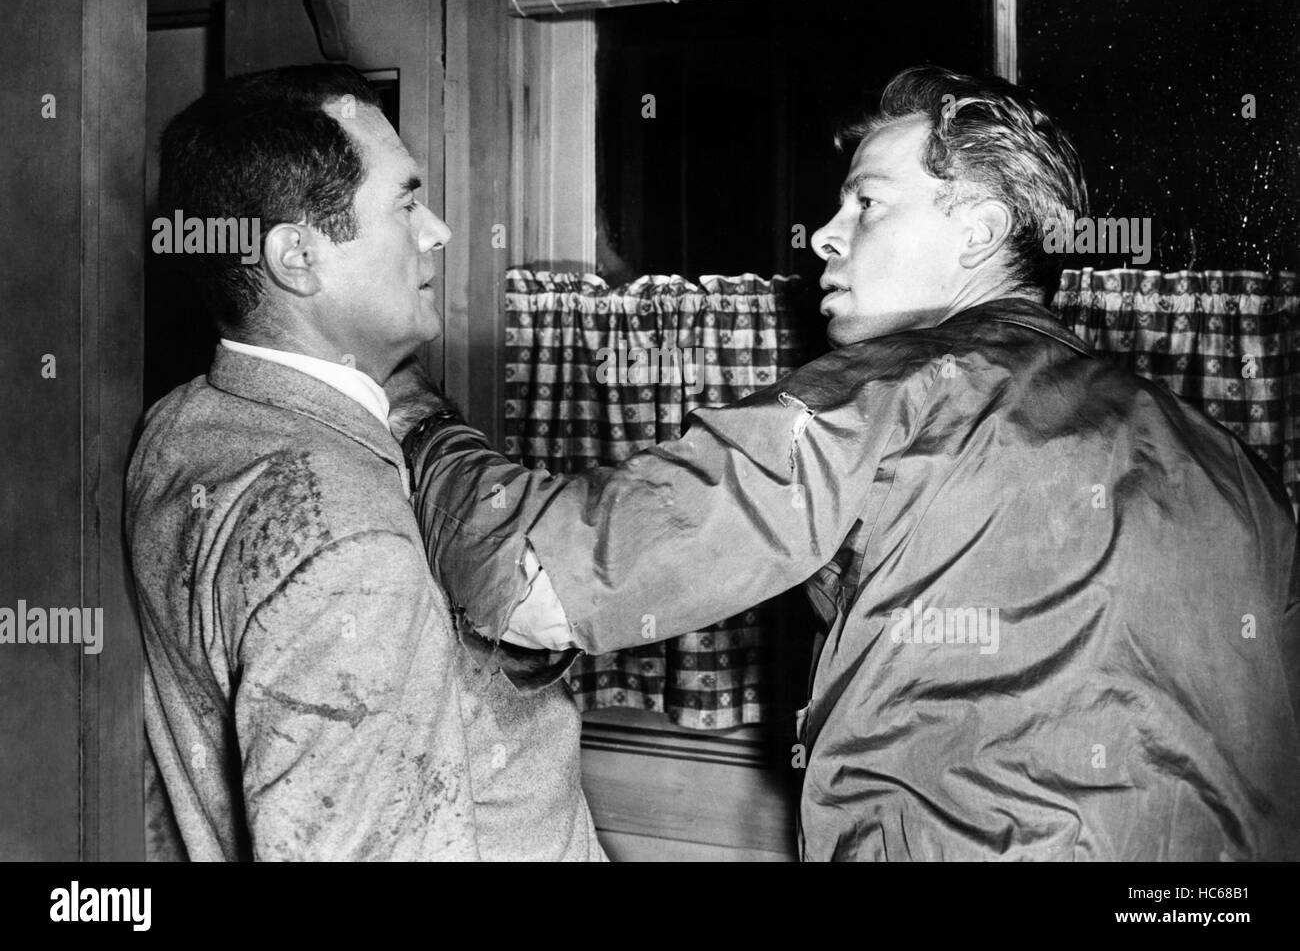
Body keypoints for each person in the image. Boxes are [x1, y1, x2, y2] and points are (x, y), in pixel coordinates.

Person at [399, 65, 1300, 861]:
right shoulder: (1232, 466)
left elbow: (535, 581)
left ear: (980, 230)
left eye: (865, 202)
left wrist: (413, 414)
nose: (826, 235)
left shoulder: (889, 393)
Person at [126, 64, 603, 861]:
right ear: (298, 257)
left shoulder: (183, 424)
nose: (438, 230)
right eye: (406, 200)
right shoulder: (348, 542)